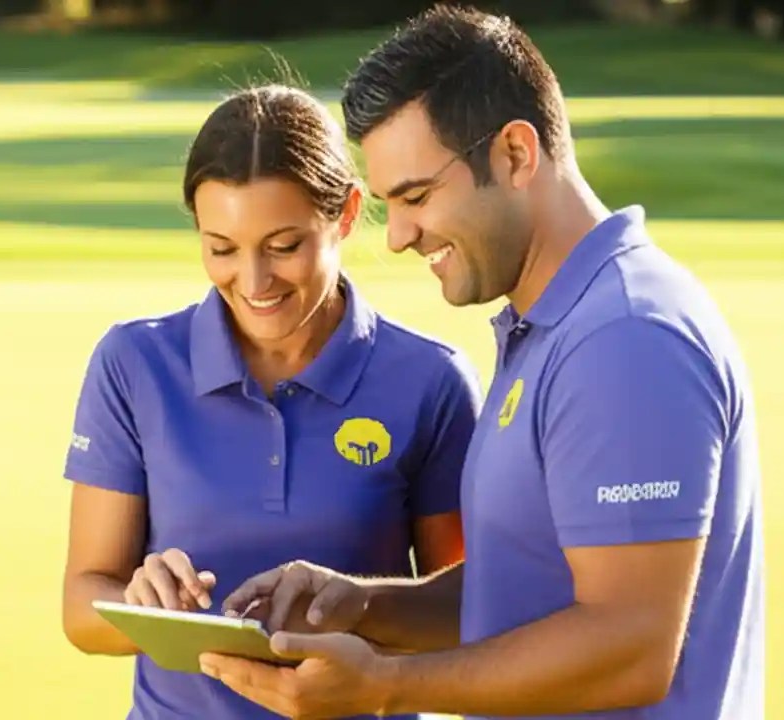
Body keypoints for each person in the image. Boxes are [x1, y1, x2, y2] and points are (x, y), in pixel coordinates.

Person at [201, 7, 765, 720]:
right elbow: (527, 591)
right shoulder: (553, 327)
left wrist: (385, 684)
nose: (399, 236)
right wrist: (362, 603)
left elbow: (630, 644)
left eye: (415, 197)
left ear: (516, 155)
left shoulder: (625, 337)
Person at [60, 84, 483, 719]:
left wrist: (358, 607)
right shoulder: (133, 365)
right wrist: (142, 607)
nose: (253, 282)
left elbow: (468, 608)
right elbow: (82, 608)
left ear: (344, 215)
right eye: (221, 249)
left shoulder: (429, 380)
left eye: (284, 246)